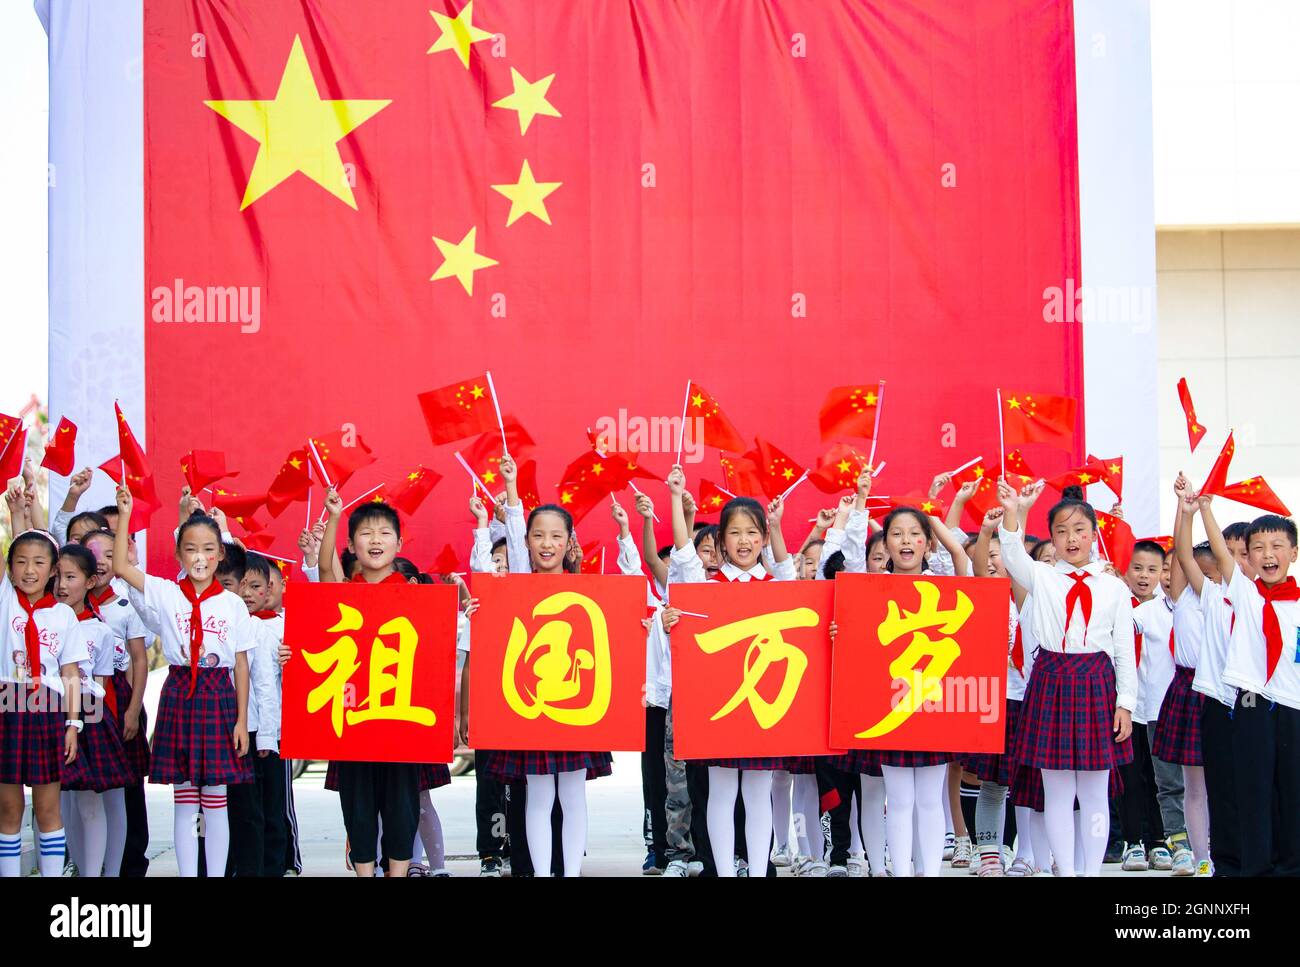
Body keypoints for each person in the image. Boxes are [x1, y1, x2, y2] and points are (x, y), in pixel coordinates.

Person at [112, 488, 256, 877]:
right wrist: (125, 514)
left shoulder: (232, 604)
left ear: (220, 554)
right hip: (180, 692)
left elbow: (241, 665)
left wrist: (241, 720)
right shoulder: (166, 594)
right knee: (185, 798)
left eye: (209, 549)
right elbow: (123, 569)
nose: (200, 558)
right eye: (191, 549)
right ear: (179, 554)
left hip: (218, 696)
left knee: (216, 799)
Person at [481, 454, 613, 877]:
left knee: (573, 796)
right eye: (538, 535)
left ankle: (570, 872)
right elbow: (516, 528)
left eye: (556, 536)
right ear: (527, 541)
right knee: (537, 796)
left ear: (569, 541)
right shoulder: (518, 580)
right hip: (531, 705)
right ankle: (541, 873)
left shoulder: (588, 592)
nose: (546, 544)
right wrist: (513, 486)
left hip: (575, 705)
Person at [997, 478, 1136, 877]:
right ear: (1052, 538)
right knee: (1057, 791)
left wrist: (1125, 703)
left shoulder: (1112, 587)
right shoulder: (1041, 576)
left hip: (1096, 681)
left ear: (1093, 535)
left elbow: (1124, 651)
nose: (1071, 539)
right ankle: (1066, 871)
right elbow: (1010, 552)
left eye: (1079, 530)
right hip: (1052, 678)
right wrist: (1013, 510)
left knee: (1094, 791)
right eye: (1061, 531)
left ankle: (1090, 872)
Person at [667, 463, 795, 878]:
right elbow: (684, 561)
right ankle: (722, 871)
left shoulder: (775, 589)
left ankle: (757, 871)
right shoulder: (707, 586)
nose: (744, 541)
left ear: (762, 539)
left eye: (752, 533)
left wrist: (777, 528)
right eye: (735, 533)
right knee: (720, 794)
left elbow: (794, 582)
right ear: (721, 540)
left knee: (759, 795)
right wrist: (674, 499)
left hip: (761, 706)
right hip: (719, 704)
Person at [317, 491, 425, 878]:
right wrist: (332, 517)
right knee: (357, 804)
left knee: (402, 804)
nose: (375, 540)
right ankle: (365, 874)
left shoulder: (418, 597)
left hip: (401, 719)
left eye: (384, 533)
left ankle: (397, 873)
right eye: (365, 533)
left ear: (399, 543)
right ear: (351, 544)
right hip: (353, 717)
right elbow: (325, 571)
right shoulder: (345, 594)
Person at [1210, 502, 1299, 876]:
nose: (1268, 555)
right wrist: (1202, 510)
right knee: (1253, 791)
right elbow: (1218, 552)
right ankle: (1256, 868)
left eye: (1277, 546)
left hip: (1294, 706)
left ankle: (1292, 866)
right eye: (1258, 548)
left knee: (1293, 792)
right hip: (1253, 703)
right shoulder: (1245, 594)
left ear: (1293, 552)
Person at [0, 519, 86, 878]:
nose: (29, 570)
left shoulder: (64, 615)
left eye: (39, 562)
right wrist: (16, 507)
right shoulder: (5, 600)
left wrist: (73, 723)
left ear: (53, 570)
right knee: (8, 808)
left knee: (49, 807)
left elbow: (70, 675)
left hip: (47, 710)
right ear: (10, 568)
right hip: (7, 706)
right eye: (20, 561)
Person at [56, 544, 132, 877]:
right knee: (63, 801)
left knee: (89, 800)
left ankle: (96, 874)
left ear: (89, 582)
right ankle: (75, 865)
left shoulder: (99, 630)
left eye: (70, 576)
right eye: (57, 575)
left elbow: (103, 684)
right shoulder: (43, 621)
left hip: (89, 717)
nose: (61, 584)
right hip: (49, 711)